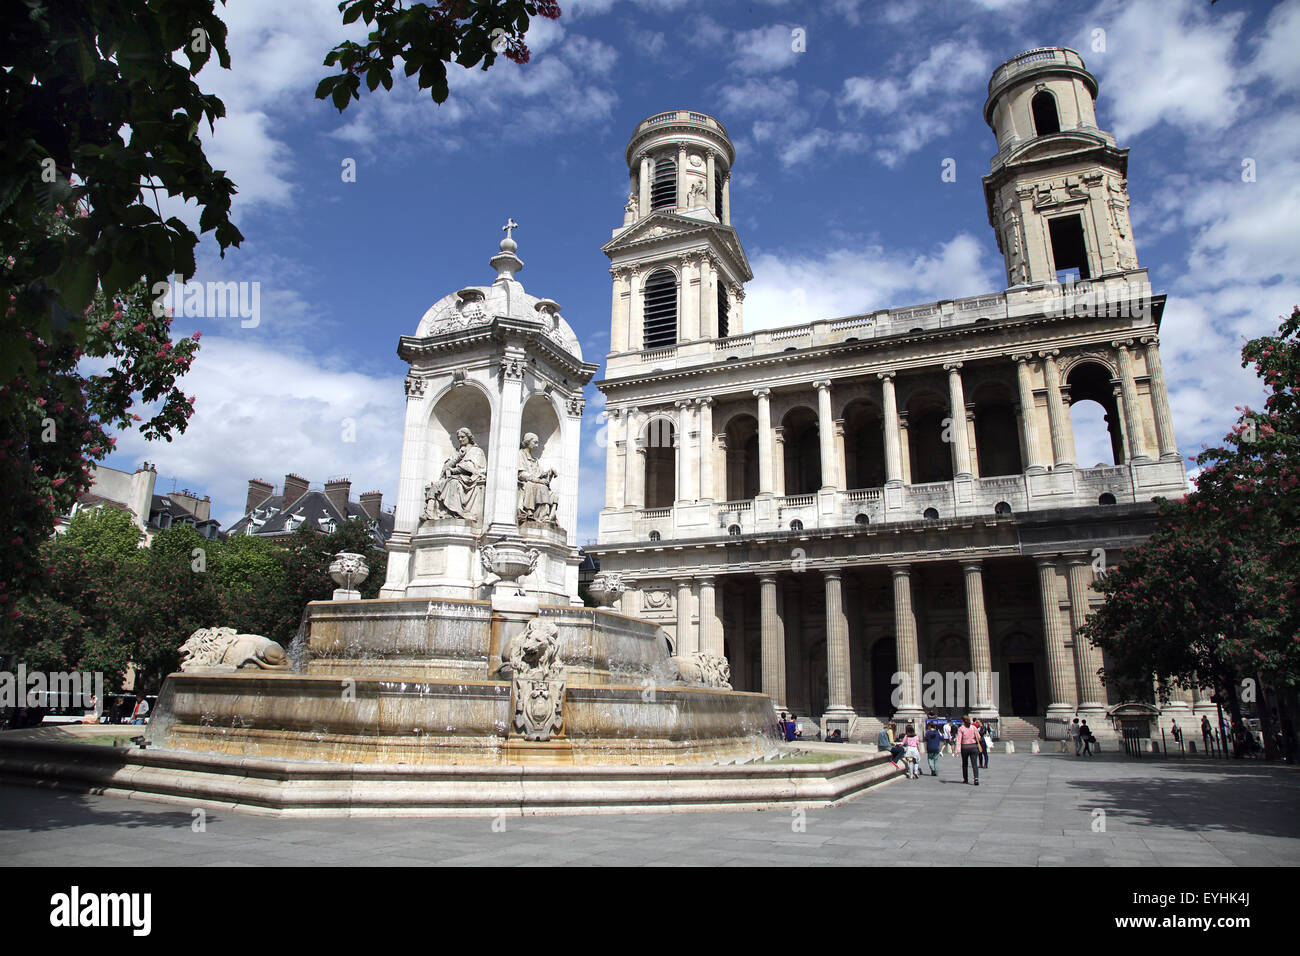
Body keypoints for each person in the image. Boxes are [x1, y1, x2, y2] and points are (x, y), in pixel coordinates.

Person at [955, 715, 981, 785]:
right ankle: (976, 779)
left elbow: (959, 740)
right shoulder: (973, 727)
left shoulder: (961, 728)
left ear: (962, 721)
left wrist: (957, 749)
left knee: (965, 764)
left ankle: (965, 779)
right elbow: (978, 737)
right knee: (974, 764)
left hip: (965, 748)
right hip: (973, 747)